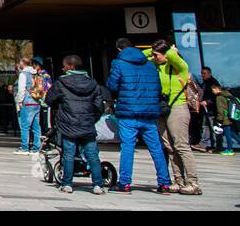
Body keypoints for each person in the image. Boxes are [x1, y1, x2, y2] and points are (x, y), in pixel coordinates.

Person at [106, 37, 172, 194]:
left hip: (128, 112)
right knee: (156, 148)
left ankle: (125, 183)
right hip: (149, 113)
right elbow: (158, 88)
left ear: (119, 49)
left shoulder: (118, 63)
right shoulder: (150, 65)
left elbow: (112, 85)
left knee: (127, 147)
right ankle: (164, 183)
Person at [44, 54, 108, 194]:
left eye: (64, 65)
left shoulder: (61, 83)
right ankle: (98, 184)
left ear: (71, 67)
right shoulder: (92, 83)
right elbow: (99, 107)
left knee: (68, 154)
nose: (62, 68)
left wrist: (59, 108)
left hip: (68, 123)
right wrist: (92, 118)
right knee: (92, 155)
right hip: (87, 124)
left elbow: (49, 100)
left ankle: (67, 183)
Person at [146, 39, 201, 194]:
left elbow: (172, 56)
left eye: (157, 55)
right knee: (169, 146)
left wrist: (170, 50)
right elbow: (142, 56)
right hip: (161, 108)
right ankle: (179, 180)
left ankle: (193, 182)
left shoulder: (180, 66)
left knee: (181, 145)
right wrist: (153, 51)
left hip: (177, 107)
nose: (154, 57)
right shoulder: (157, 65)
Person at [13, 56, 44, 155]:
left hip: (27, 102)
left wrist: (19, 101)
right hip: (36, 102)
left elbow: (21, 90)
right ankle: (36, 148)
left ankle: (24, 147)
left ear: (22, 63)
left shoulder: (23, 74)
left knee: (25, 126)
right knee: (36, 127)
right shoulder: (36, 73)